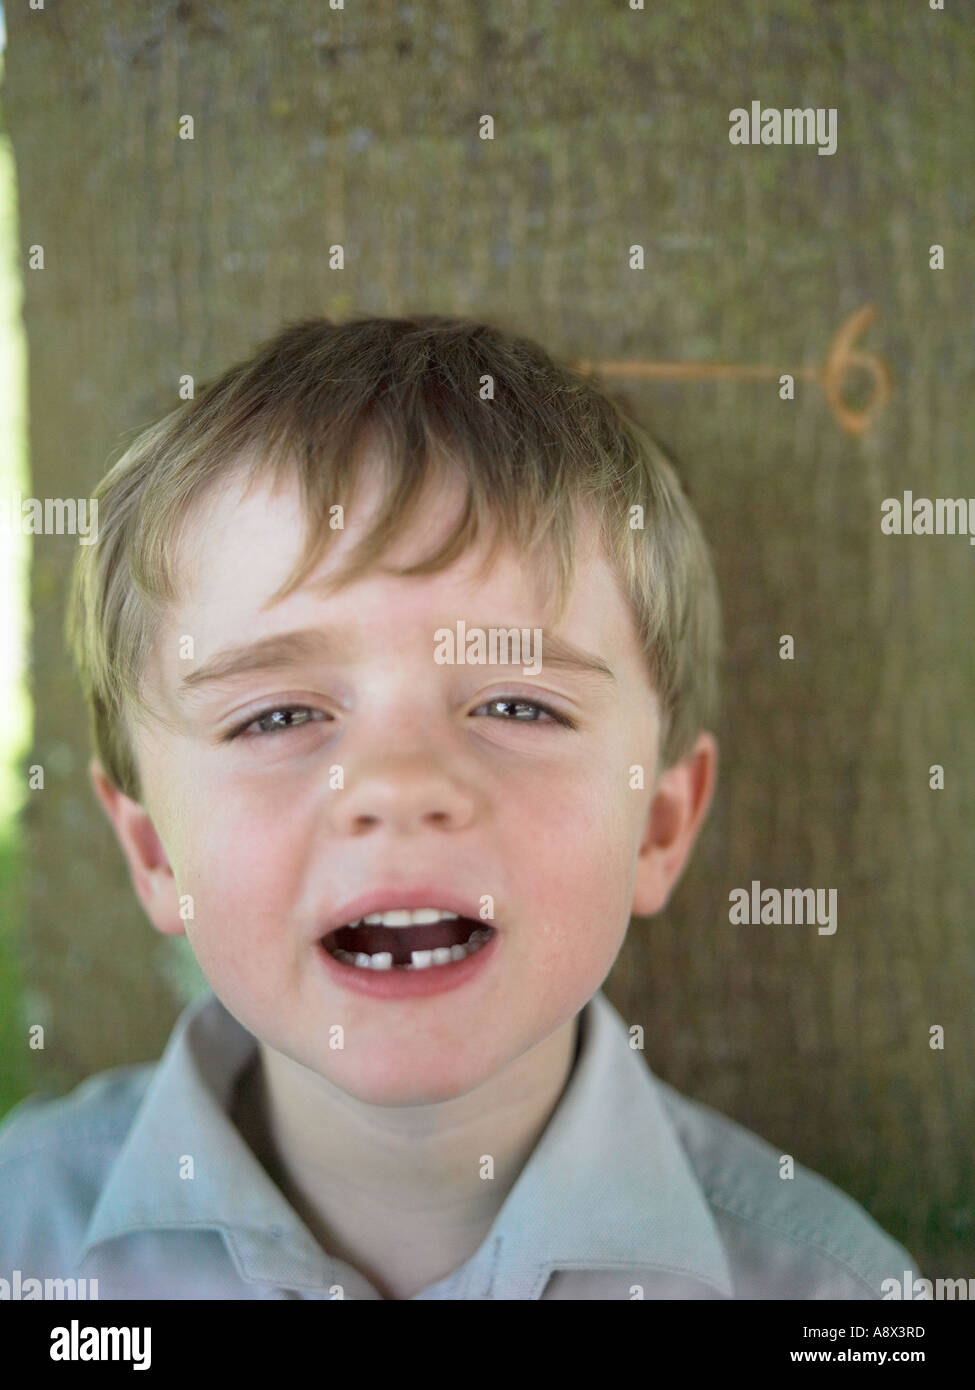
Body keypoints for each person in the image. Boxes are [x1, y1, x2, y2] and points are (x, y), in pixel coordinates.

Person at [0, 315, 919, 1299]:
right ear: (152, 852)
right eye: (278, 716)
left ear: (658, 824)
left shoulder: (836, 1297)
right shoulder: (22, 1239)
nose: (399, 786)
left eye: (518, 704)